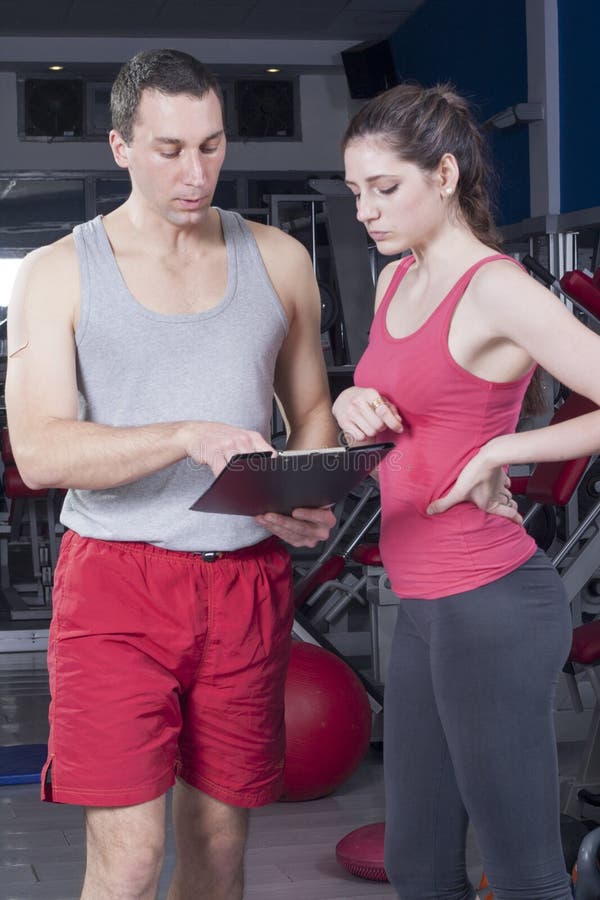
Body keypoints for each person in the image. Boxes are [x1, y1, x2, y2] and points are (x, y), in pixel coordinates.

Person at [5, 49, 338, 900]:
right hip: (116, 582)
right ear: (120, 146)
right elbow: (40, 452)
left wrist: (301, 496)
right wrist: (185, 434)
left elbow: (312, 417)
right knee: (126, 859)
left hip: (245, 582)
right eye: (168, 150)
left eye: (212, 145)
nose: (196, 173)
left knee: (220, 851)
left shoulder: (279, 259)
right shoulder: (58, 272)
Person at [332, 82, 600, 900]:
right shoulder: (391, 285)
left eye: (385, 189)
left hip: (492, 605)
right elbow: (400, 415)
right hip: (422, 605)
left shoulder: (494, 287)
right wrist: (350, 403)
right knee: (418, 864)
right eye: (354, 194)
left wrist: (506, 451)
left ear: (444, 175)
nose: (366, 212)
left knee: (523, 875)